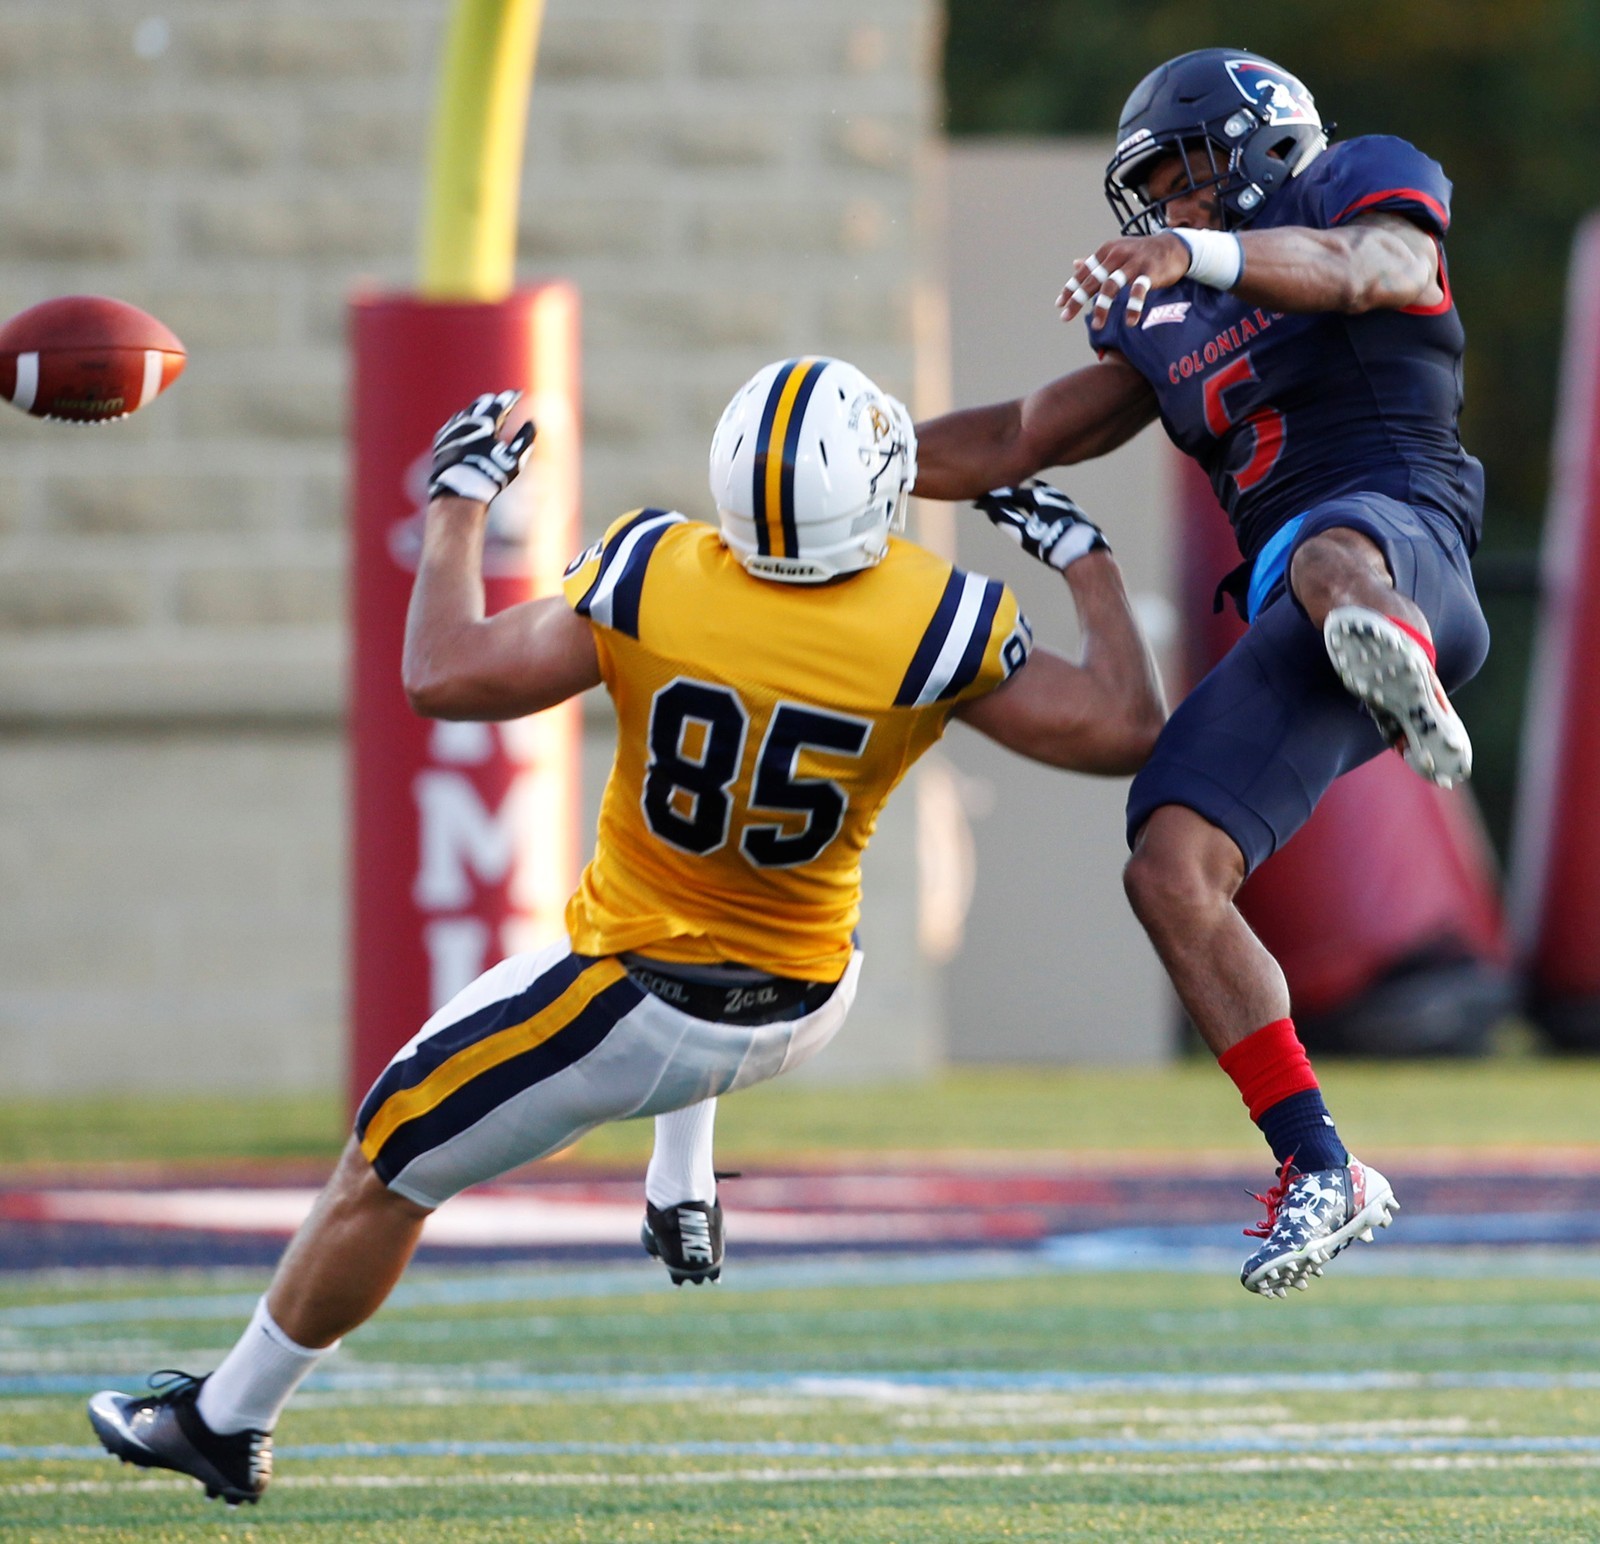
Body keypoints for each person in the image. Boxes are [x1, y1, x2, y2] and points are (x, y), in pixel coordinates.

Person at [86, 358, 1166, 1505]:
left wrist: (456, 499)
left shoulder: (656, 571)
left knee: (384, 1159)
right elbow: (1122, 726)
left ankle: (224, 1418)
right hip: (808, 989)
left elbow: (441, 672)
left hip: (646, 994)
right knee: (679, 925)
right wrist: (1081, 558)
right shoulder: (937, 620)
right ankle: (681, 1181)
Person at [914, 47, 1489, 1297]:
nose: (1165, 209)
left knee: (1336, 550)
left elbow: (1368, 268)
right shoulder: (1165, 312)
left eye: (1179, 176)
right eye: (1155, 193)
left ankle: (1403, 654)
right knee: (1167, 865)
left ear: (1256, 143)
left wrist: (1199, 256)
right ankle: (1320, 1163)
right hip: (1293, 603)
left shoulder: (1358, 185)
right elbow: (1019, 435)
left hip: (1405, 531)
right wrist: (843, 458)